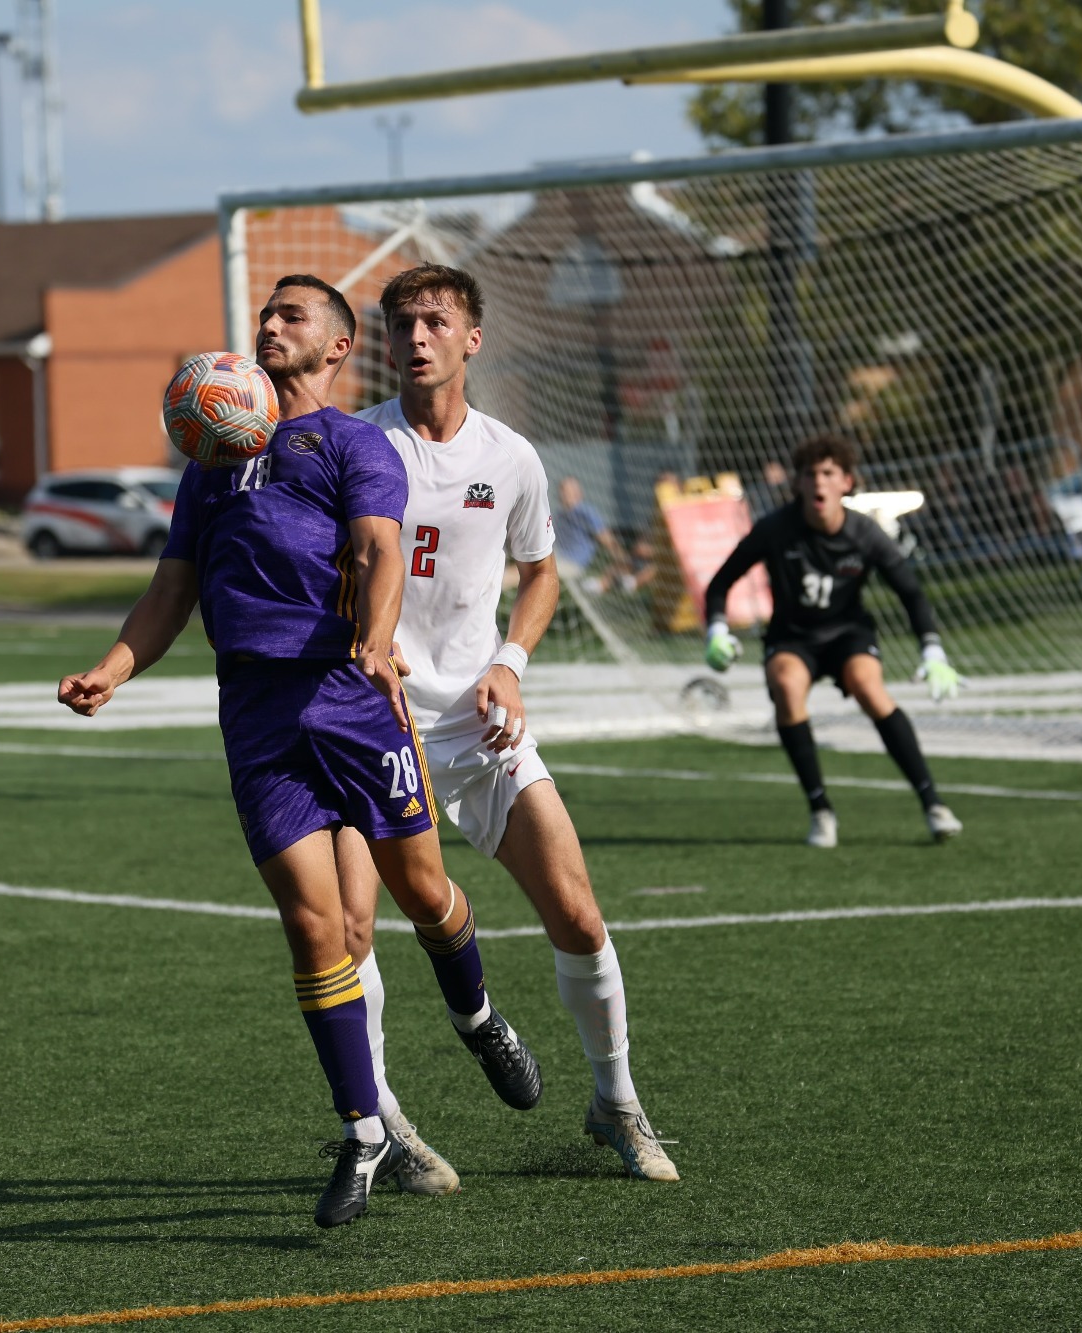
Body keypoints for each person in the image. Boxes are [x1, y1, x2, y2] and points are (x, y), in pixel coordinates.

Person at [57, 274, 542, 1229]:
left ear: (335, 348)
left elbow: (377, 549)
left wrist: (373, 635)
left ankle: (477, 1017)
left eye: (292, 316)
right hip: (258, 715)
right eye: (266, 315)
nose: (270, 326)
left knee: (425, 895)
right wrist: (113, 668)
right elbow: (171, 592)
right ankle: (364, 1131)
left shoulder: (355, 444)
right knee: (318, 931)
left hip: (354, 701)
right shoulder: (209, 462)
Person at [339, 263, 678, 1187]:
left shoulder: (511, 457)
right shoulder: (352, 445)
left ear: (471, 339)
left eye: (435, 321)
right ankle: (386, 1125)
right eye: (403, 321)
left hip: (482, 727)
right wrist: (368, 649)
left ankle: (616, 1101)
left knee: (577, 910)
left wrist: (509, 664)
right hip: (375, 724)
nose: (417, 336)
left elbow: (542, 573)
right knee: (351, 933)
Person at [704, 435, 964, 848]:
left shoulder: (866, 534)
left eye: (828, 473)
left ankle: (933, 803)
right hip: (792, 638)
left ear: (847, 481)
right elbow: (719, 584)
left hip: (847, 633)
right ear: (798, 484)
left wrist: (933, 651)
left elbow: (911, 593)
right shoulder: (774, 528)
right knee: (787, 687)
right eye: (810, 474)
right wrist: (717, 631)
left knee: (870, 689)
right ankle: (821, 810)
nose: (819, 483)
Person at [551, 476, 626, 583]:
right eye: (562, 489)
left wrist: (623, 561)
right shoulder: (560, 514)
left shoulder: (585, 512)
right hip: (556, 557)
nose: (563, 493)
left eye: (567, 490)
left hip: (572, 564)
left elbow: (607, 539)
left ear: (578, 493)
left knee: (531, 570)